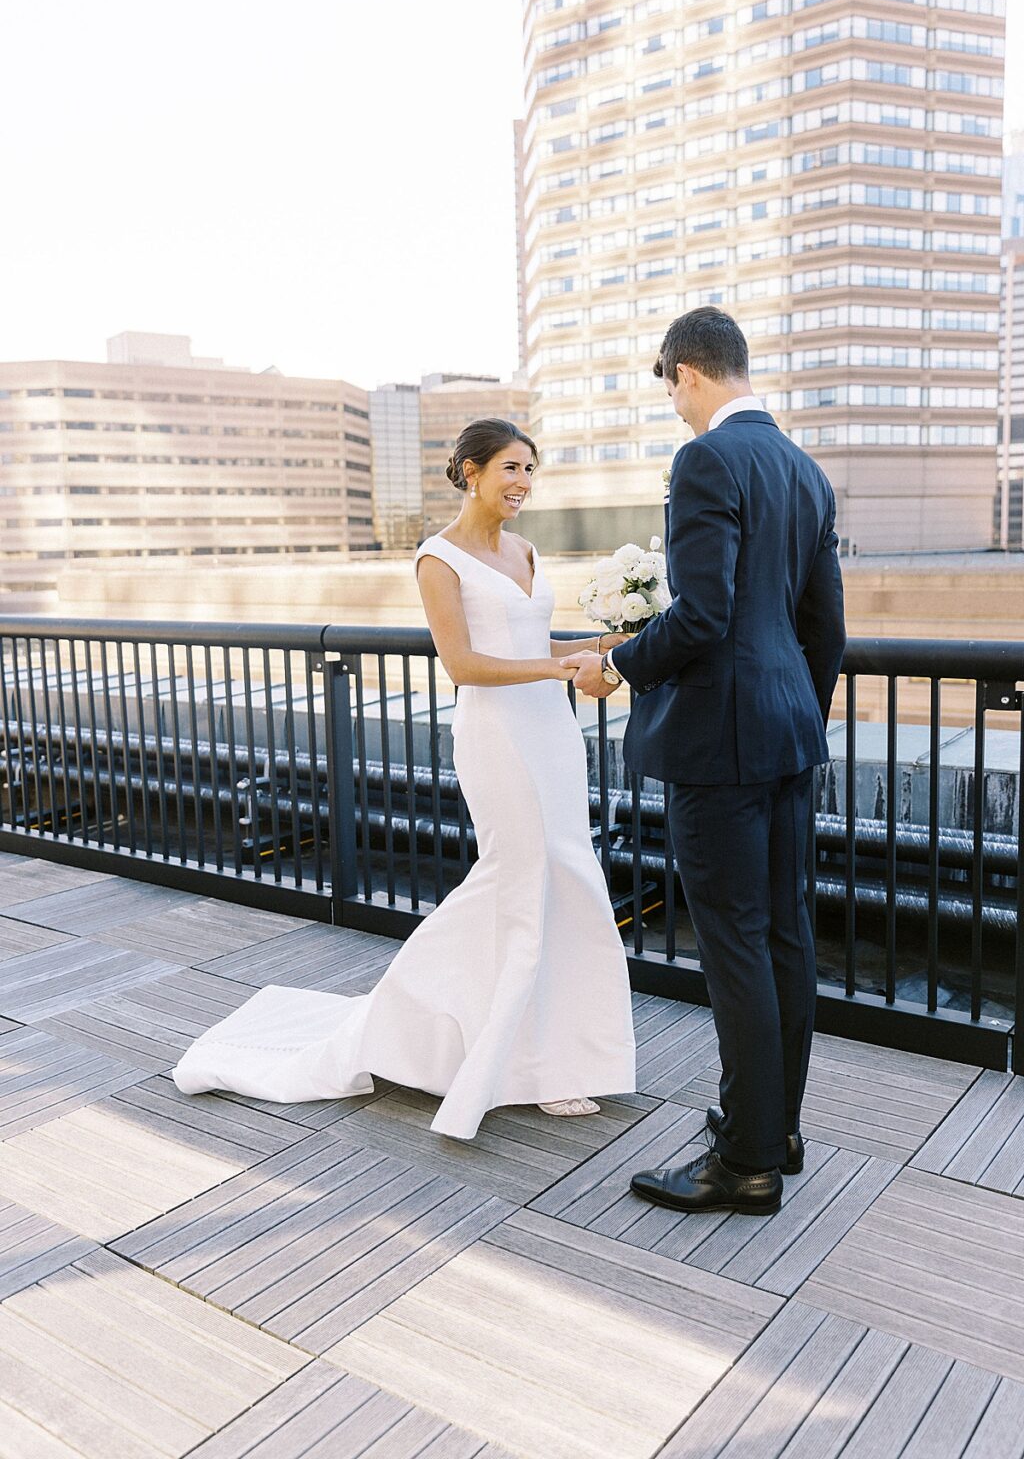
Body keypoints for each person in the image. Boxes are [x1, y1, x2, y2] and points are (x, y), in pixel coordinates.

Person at [172, 418, 636, 1140]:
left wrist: (610, 645)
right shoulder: (437, 558)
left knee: (567, 877)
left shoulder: (525, 550)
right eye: (510, 469)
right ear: (471, 472)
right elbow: (464, 664)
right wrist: (558, 669)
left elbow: (532, 639)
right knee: (518, 879)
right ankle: (464, 1038)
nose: (522, 484)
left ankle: (555, 1055)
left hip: (551, 732)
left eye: (530, 471)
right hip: (499, 735)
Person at [563, 307, 846, 1214]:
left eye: (667, 384)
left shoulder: (706, 460)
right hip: (787, 734)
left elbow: (702, 615)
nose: (673, 404)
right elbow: (823, 631)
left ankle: (747, 1163)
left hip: (719, 747)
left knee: (731, 945)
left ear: (686, 373)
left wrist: (615, 663)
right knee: (785, 935)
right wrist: (795, 713)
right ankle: (777, 1127)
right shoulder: (804, 470)